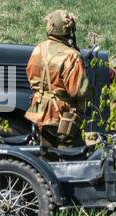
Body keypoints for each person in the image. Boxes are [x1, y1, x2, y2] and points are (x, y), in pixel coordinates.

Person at [25, 9, 91, 150]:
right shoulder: (71, 56)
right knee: (73, 158)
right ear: (69, 30)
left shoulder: (39, 49)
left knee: (45, 157)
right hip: (62, 118)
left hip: (38, 113)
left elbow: (30, 75)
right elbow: (78, 91)